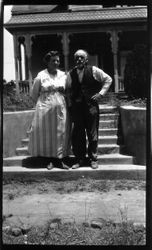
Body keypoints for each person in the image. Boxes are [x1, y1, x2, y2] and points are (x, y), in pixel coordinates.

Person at [66, 49, 112, 169]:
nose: (79, 60)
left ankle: (93, 159)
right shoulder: (70, 74)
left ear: (86, 60)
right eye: (76, 58)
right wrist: (70, 104)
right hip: (77, 108)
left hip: (91, 107)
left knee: (92, 133)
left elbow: (108, 79)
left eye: (81, 57)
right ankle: (80, 159)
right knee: (78, 134)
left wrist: (101, 94)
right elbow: (68, 90)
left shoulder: (94, 70)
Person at [28, 50, 71, 170]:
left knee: (60, 133)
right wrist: (43, 104)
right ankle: (49, 160)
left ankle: (60, 159)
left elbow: (68, 91)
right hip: (45, 109)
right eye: (53, 61)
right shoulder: (41, 75)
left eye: (58, 60)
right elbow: (34, 93)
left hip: (61, 108)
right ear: (47, 62)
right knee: (47, 134)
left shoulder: (63, 75)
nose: (56, 63)